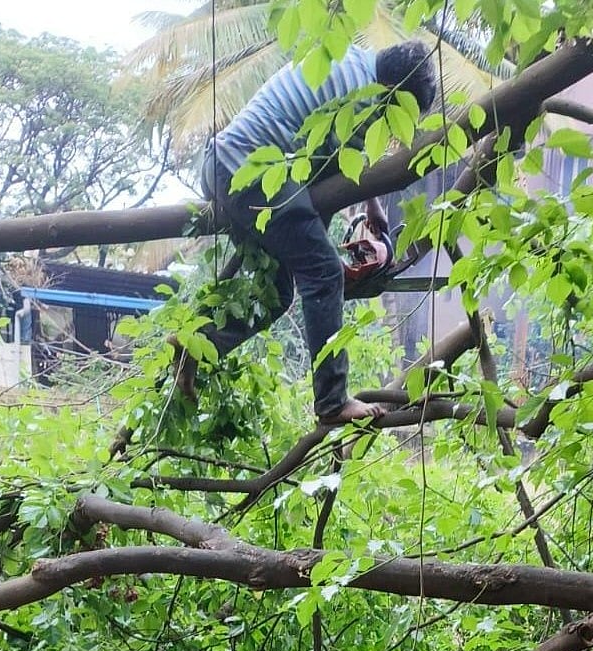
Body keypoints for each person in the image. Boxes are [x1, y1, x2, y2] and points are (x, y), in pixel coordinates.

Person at [171, 41, 437, 424]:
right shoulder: (363, 103)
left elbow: (333, 168)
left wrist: (372, 206)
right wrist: (364, 212)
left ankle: (195, 345)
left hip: (224, 167)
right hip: (250, 174)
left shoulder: (353, 58)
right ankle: (332, 403)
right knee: (324, 274)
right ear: (393, 97)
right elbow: (339, 171)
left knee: (276, 294)